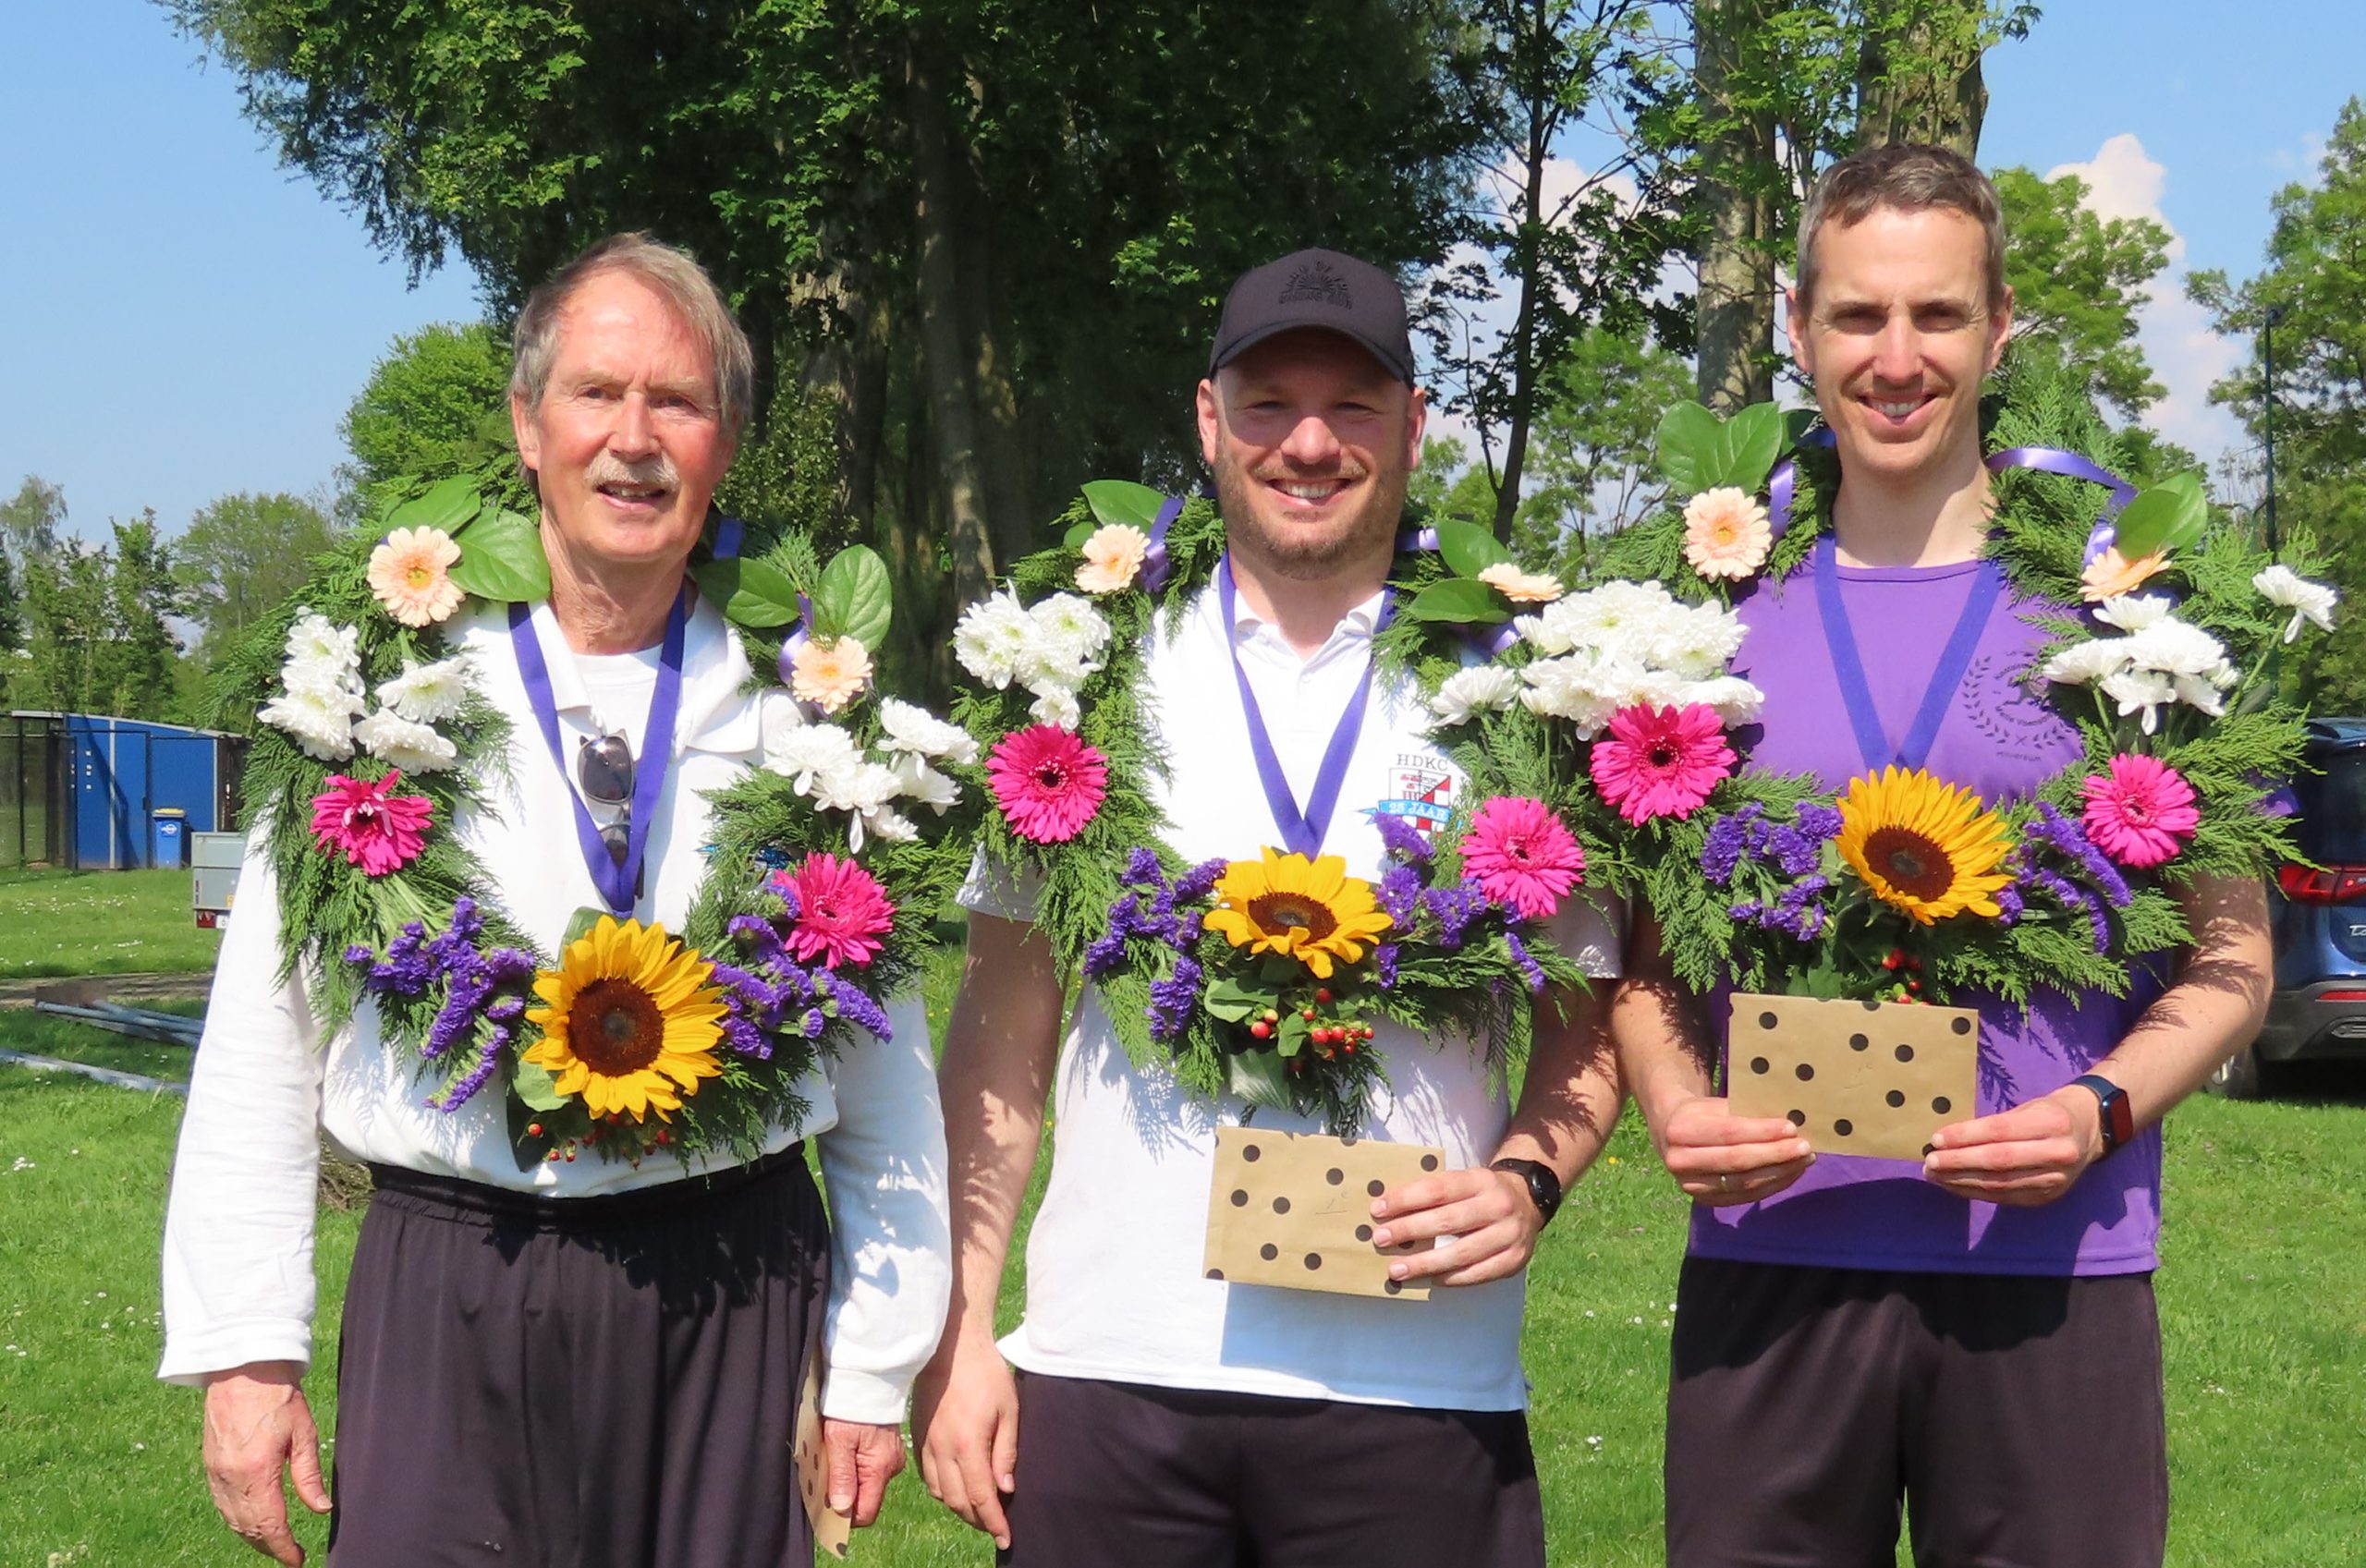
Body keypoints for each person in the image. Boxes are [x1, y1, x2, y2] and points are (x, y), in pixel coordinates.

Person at [160, 234, 950, 1567]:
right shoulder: (377, 702)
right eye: (596, 393)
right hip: (455, 1285)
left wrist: (875, 1361)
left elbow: (884, 1064)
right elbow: (262, 1041)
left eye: (678, 402)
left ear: (727, 442)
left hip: (734, 1286)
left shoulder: (807, 718)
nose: (633, 439)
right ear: (529, 424)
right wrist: (246, 1349)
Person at [911, 248, 1624, 1567]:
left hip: (1416, 1386)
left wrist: (1529, 1181)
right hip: (1113, 1367)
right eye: (1268, 402)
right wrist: (959, 1329)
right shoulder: (1087, 680)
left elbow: (1586, 1022)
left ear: (1415, 425)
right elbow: (1002, 1035)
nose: (1308, 442)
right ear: (1206, 418)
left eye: (1352, 405)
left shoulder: (1522, 699)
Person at [1614, 146, 2273, 1567]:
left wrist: (2101, 1108)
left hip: (2050, 1269)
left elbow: (2234, 954)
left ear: (2000, 327)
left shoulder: (2126, 614)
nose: (1896, 357)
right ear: (1800, 330)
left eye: (1936, 315)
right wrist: (1674, 1099)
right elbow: (1644, 950)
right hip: (1774, 1257)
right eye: (1858, 317)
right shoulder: (1702, 609)